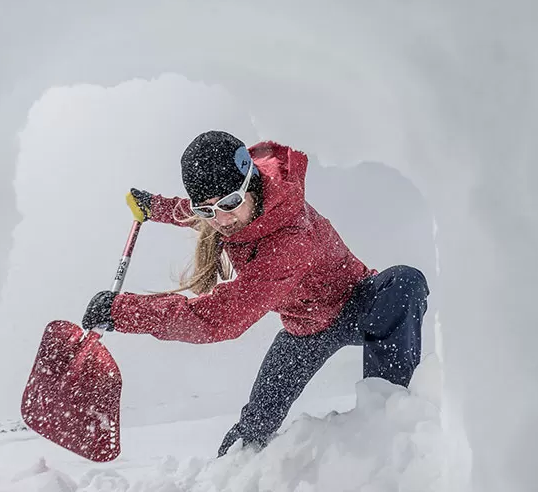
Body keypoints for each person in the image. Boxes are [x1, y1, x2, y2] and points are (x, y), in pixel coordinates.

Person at [82, 131, 430, 457]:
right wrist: (154, 207)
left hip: (356, 303)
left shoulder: (290, 239)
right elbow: (195, 211)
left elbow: (220, 319)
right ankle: (226, 479)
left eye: (230, 202)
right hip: (304, 328)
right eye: (208, 209)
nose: (220, 218)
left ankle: (386, 425)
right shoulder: (229, 209)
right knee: (250, 433)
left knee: (403, 282)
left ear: (253, 184)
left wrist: (123, 311)